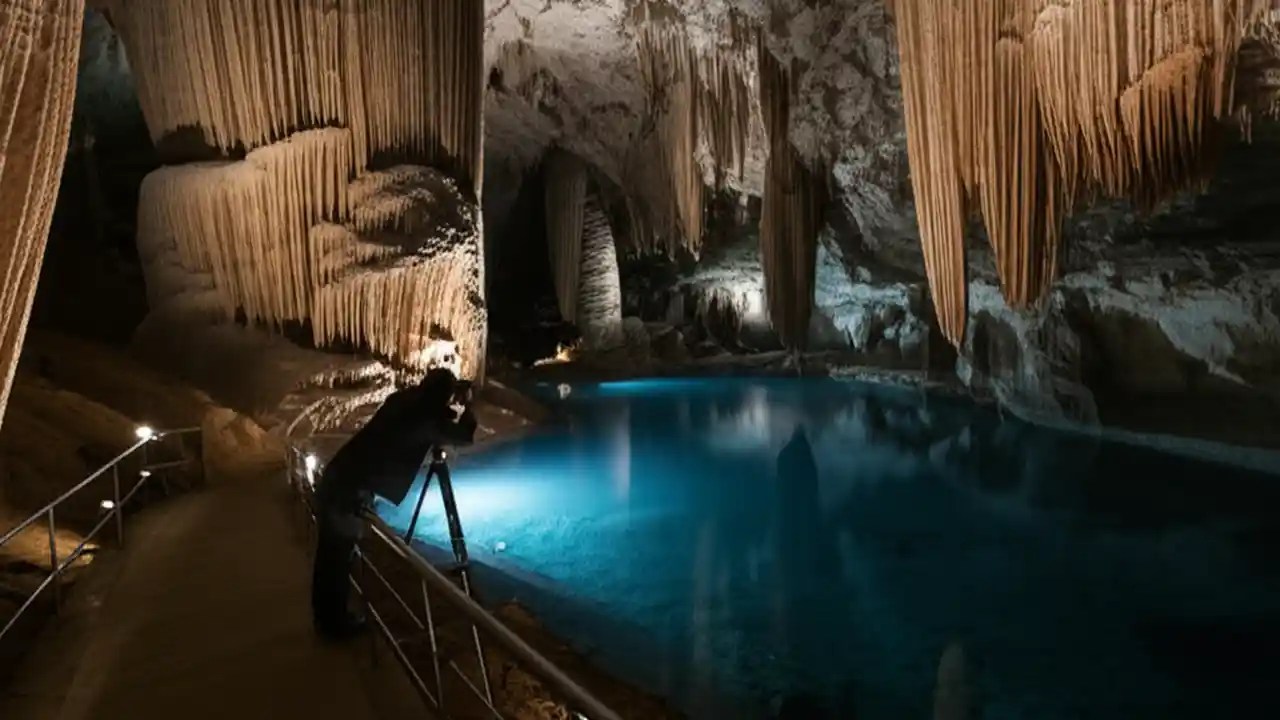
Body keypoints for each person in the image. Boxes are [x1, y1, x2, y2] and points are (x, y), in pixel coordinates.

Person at [310, 367, 477, 640]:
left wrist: (446, 405)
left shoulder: (401, 401)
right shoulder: (425, 421)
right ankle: (336, 627)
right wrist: (467, 404)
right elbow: (464, 436)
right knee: (337, 562)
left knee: (329, 558)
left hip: (338, 477)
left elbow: (423, 413)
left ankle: (325, 620)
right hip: (348, 492)